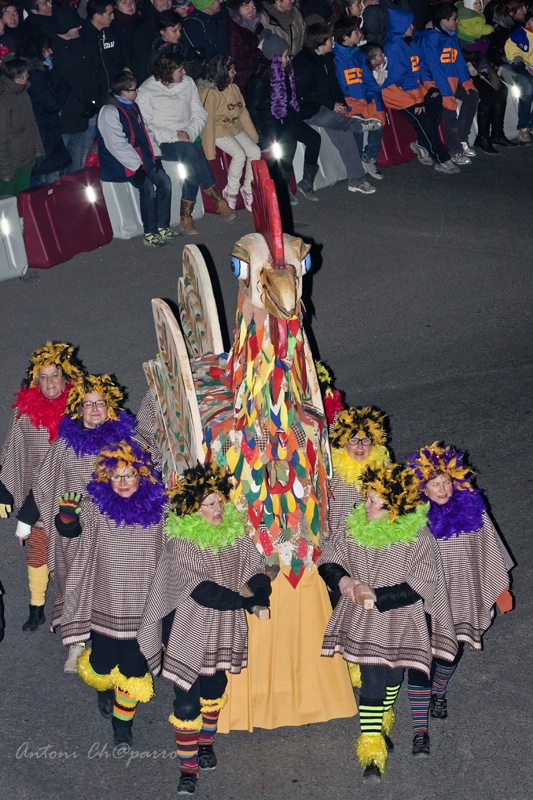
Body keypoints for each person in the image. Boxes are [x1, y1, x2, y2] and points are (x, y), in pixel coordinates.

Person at [317, 463, 457, 782]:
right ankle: (371, 752)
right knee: (373, 680)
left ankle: (382, 722)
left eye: (372, 501)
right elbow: (328, 558)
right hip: (363, 621)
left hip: (401, 621)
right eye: (366, 499)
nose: (364, 506)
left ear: (393, 508)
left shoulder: (417, 537)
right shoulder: (353, 527)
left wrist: (377, 595)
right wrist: (345, 582)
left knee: (394, 677)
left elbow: (422, 584)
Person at [137, 462, 270, 796]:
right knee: (186, 703)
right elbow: (201, 590)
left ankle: (206, 745)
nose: (217, 508)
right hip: (189, 629)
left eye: (219, 501)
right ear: (192, 509)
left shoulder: (234, 530)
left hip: (223, 627)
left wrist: (260, 589)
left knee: (213, 691)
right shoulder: (180, 543)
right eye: (209, 504)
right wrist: (245, 604)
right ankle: (187, 768)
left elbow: (251, 566)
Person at [56, 442, 167, 750]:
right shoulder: (97, 506)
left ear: (141, 476)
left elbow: (182, 539)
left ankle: (122, 726)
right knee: (102, 664)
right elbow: (72, 534)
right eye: (116, 476)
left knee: (133, 669)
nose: (123, 482)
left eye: (129, 475)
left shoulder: (160, 508)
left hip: (142, 605)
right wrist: (67, 518)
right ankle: (103, 686)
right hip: (104, 601)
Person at [36, 374, 143, 673]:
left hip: (116, 527)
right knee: (76, 583)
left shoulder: (130, 441)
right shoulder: (64, 446)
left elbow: (151, 476)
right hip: (76, 529)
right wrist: (35, 517)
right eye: (87, 404)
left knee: (111, 586)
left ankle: (115, 644)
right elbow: (44, 483)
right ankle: (76, 643)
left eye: (100, 403)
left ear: (111, 407)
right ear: (78, 410)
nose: (94, 409)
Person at [406, 443, 514, 724]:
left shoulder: (474, 511)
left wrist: (500, 593)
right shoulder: (410, 519)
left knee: (452, 651)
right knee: (424, 650)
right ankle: (420, 713)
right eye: (434, 484)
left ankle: (438, 691)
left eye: (446, 482)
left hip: (462, 592)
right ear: (422, 488)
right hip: (425, 596)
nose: (442, 489)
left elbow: (490, 552)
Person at [0, 342, 84, 631]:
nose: (49, 382)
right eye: (43, 377)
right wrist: (5, 486)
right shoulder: (25, 413)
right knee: (37, 554)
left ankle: (75, 612)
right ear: (35, 381)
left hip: (72, 494)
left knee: (73, 556)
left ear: (66, 378)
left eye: (55, 375)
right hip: (35, 497)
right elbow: (13, 449)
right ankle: (36, 608)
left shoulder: (81, 410)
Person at [137, 52, 237, 234]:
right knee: (191, 152)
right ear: (167, 71)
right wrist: (175, 135)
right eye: (179, 70)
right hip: (162, 142)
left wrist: (189, 132)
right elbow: (146, 126)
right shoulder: (147, 90)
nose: (184, 72)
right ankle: (218, 202)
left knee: (191, 161)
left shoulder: (188, 83)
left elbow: (200, 113)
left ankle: (186, 217)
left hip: (188, 138)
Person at [293, 23, 382, 196]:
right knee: (330, 118)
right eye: (329, 39)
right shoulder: (302, 62)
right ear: (320, 42)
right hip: (307, 108)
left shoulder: (328, 57)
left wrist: (341, 103)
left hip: (327, 106)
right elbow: (308, 92)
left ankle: (357, 181)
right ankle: (359, 125)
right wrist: (331, 104)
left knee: (345, 135)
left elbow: (333, 84)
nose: (333, 42)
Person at [97, 70, 178, 247]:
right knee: (147, 187)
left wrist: (156, 155)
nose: (137, 92)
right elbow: (116, 145)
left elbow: (146, 131)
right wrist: (137, 166)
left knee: (165, 181)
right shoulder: (109, 111)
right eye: (134, 89)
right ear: (123, 92)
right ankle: (149, 232)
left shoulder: (132, 105)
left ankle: (162, 225)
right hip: (121, 163)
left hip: (143, 158)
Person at [246, 30, 321, 205]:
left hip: (286, 116)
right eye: (285, 56)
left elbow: (290, 100)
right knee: (289, 142)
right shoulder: (258, 78)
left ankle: (306, 183)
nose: (288, 59)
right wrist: (262, 139)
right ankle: (283, 187)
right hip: (269, 120)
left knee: (314, 139)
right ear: (273, 58)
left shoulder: (285, 71)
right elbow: (254, 110)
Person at [382, 8, 460, 173]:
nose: (413, 27)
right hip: (397, 94)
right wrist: (418, 100)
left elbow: (421, 68)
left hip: (413, 90)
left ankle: (422, 143)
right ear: (401, 26)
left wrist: (430, 86)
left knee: (436, 99)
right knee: (423, 120)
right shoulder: (394, 47)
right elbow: (401, 78)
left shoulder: (409, 42)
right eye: (409, 24)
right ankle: (440, 158)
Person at [415, 3, 479, 165]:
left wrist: (467, 83)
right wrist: (447, 94)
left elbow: (459, 62)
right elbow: (434, 70)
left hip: (449, 80)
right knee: (449, 109)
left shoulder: (450, 35)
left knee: (472, 95)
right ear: (443, 21)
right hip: (433, 84)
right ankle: (456, 151)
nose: (458, 22)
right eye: (454, 19)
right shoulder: (429, 39)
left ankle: (462, 140)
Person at [198, 54, 260, 211]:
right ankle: (231, 192)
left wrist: (254, 137)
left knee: (255, 151)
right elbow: (208, 122)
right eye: (232, 71)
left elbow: (243, 113)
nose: (235, 74)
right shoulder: (209, 93)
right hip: (219, 129)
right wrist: (209, 151)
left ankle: (247, 189)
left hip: (235, 127)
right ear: (222, 72)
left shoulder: (234, 88)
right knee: (239, 154)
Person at [50, 6, 103, 172]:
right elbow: (57, 87)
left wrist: (94, 101)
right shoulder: (52, 52)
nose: (80, 27)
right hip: (64, 120)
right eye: (75, 25)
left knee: (77, 165)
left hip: (82, 117)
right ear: (64, 27)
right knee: (56, 168)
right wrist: (82, 106)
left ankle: (72, 196)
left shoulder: (80, 44)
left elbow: (92, 75)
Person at [333, 18, 387, 180]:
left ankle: (369, 157)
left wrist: (373, 99)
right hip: (349, 102)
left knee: (378, 120)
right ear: (345, 37)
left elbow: (369, 82)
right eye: (356, 32)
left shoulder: (359, 55)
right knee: (356, 126)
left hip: (365, 99)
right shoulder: (334, 58)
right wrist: (350, 103)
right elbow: (336, 86)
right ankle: (355, 167)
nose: (360, 34)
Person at [16, 32, 72, 184]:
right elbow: (52, 103)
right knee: (45, 182)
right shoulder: (35, 75)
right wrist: (63, 88)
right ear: (37, 51)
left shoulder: (27, 72)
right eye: (47, 49)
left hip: (39, 134)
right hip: (42, 135)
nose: (51, 52)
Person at [0, 58, 45, 197]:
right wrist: (6, 171)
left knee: (22, 203)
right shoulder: (3, 100)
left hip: (26, 160)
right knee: (7, 208)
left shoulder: (23, 93)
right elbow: (2, 139)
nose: (28, 75)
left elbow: (32, 125)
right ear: (17, 78)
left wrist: (38, 151)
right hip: (10, 165)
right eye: (26, 73)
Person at [504, 4, 533, 144]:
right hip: (522, 69)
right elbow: (511, 47)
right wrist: (517, 58)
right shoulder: (520, 33)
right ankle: (524, 127)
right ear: (528, 20)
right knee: (527, 88)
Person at [81, 0, 124, 92]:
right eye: (109, 14)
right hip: (95, 91)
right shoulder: (83, 37)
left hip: (115, 86)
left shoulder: (112, 32)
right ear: (97, 16)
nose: (113, 17)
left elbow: (118, 60)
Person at [225, 0, 263, 96]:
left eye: (254, 8)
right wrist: (259, 51)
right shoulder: (232, 30)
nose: (251, 12)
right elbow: (236, 62)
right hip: (241, 81)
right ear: (237, 8)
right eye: (247, 8)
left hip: (256, 78)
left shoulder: (258, 25)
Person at [130, 0, 171, 83]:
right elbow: (140, 62)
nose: (166, 2)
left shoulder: (171, 19)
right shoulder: (144, 26)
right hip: (154, 81)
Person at [182, 0, 228, 68]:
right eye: (217, 0)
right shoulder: (192, 24)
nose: (221, 1)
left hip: (224, 63)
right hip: (212, 70)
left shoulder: (217, 16)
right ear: (208, 4)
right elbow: (206, 53)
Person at [147, 8, 184, 76]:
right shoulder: (157, 55)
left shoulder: (181, 46)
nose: (179, 34)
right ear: (162, 31)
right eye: (174, 31)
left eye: (180, 30)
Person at [111, 0, 140, 70]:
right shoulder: (112, 27)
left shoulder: (142, 22)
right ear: (115, 6)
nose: (129, 5)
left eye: (132, 1)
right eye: (124, 3)